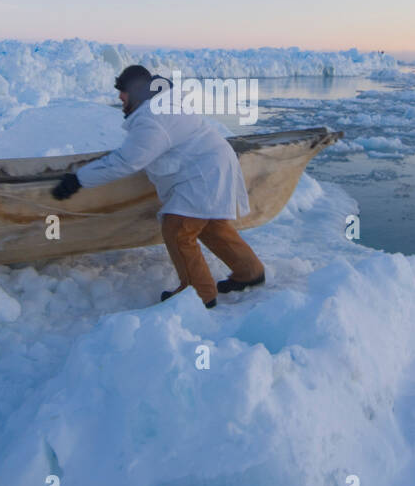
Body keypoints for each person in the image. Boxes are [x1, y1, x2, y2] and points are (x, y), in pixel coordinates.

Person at [51, 65, 265, 308]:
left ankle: (198, 294)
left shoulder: (152, 120)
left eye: (124, 91)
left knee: (178, 229)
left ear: (138, 92)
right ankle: (250, 272)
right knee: (212, 226)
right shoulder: (161, 108)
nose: (120, 97)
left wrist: (78, 179)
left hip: (203, 172)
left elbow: (126, 161)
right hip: (213, 164)